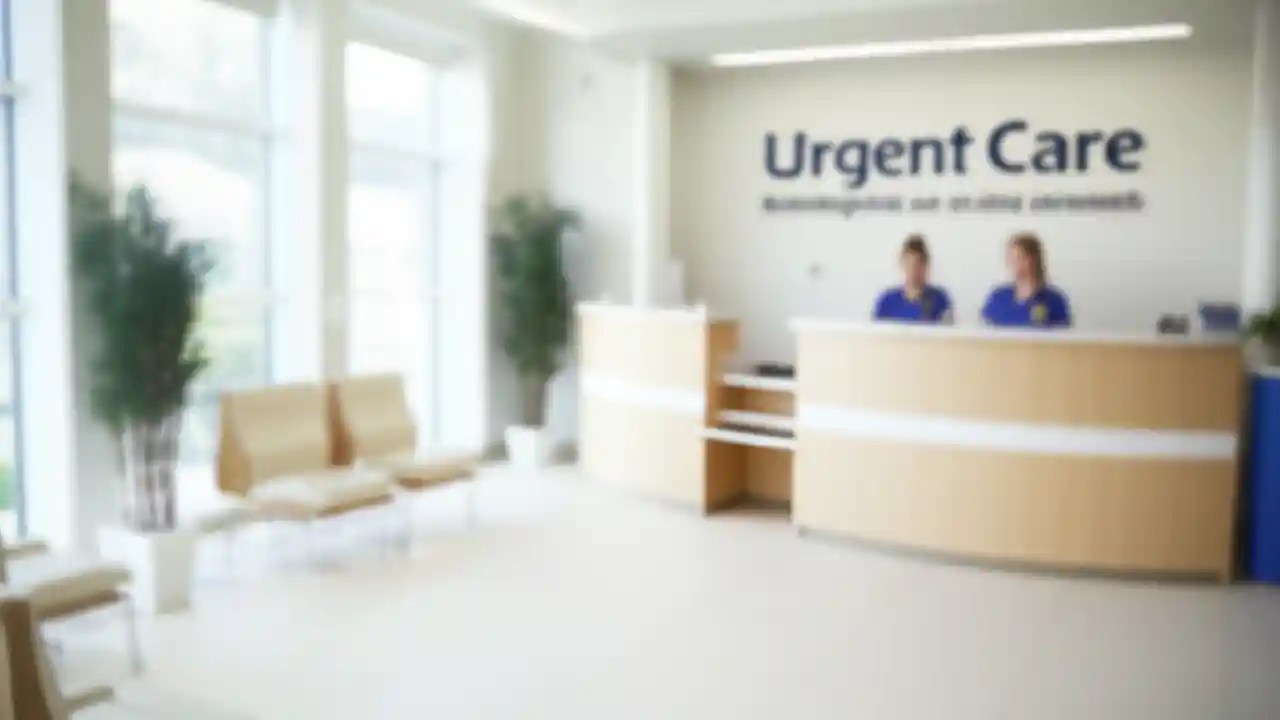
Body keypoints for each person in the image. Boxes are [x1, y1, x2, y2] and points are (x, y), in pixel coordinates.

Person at [981, 232, 1072, 328]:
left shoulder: (1054, 299)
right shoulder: (998, 297)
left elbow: (1063, 338)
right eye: (1012, 258)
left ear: (1035, 260)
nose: (1015, 264)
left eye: (1021, 258)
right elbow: (985, 331)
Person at [873, 235, 954, 323]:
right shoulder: (887, 301)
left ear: (926, 266)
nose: (913, 270)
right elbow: (876, 334)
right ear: (902, 264)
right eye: (909, 264)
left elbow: (949, 333)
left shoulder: (939, 299)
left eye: (918, 265)